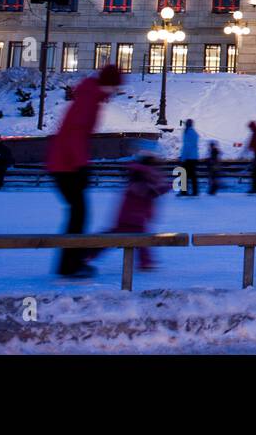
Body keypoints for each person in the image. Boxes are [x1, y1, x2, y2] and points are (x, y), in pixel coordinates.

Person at [46, 64, 123, 277]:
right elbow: (76, 135)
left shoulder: (90, 96)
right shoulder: (89, 99)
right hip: (66, 165)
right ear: (110, 84)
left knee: (77, 213)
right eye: (116, 87)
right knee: (78, 214)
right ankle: (70, 265)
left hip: (63, 162)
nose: (116, 92)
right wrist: (81, 166)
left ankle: (69, 263)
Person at [95, 140, 170, 271]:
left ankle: (146, 262)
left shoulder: (144, 171)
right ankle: (87, 251)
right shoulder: (141, 173)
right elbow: (146, 190)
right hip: (132, 214)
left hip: (134, 214)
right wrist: (163, 187)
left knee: (132, 237)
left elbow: (153, 188)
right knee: (118, 237)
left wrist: (162, 187)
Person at [178, 121, 200, 196]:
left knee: (184, 174)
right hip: (194, 157)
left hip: (188, 158)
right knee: (192, 175)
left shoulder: (187, 132)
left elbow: (186, 146)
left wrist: (183, 158)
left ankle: (184, 191)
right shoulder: (194, 132)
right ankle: (195, 191)